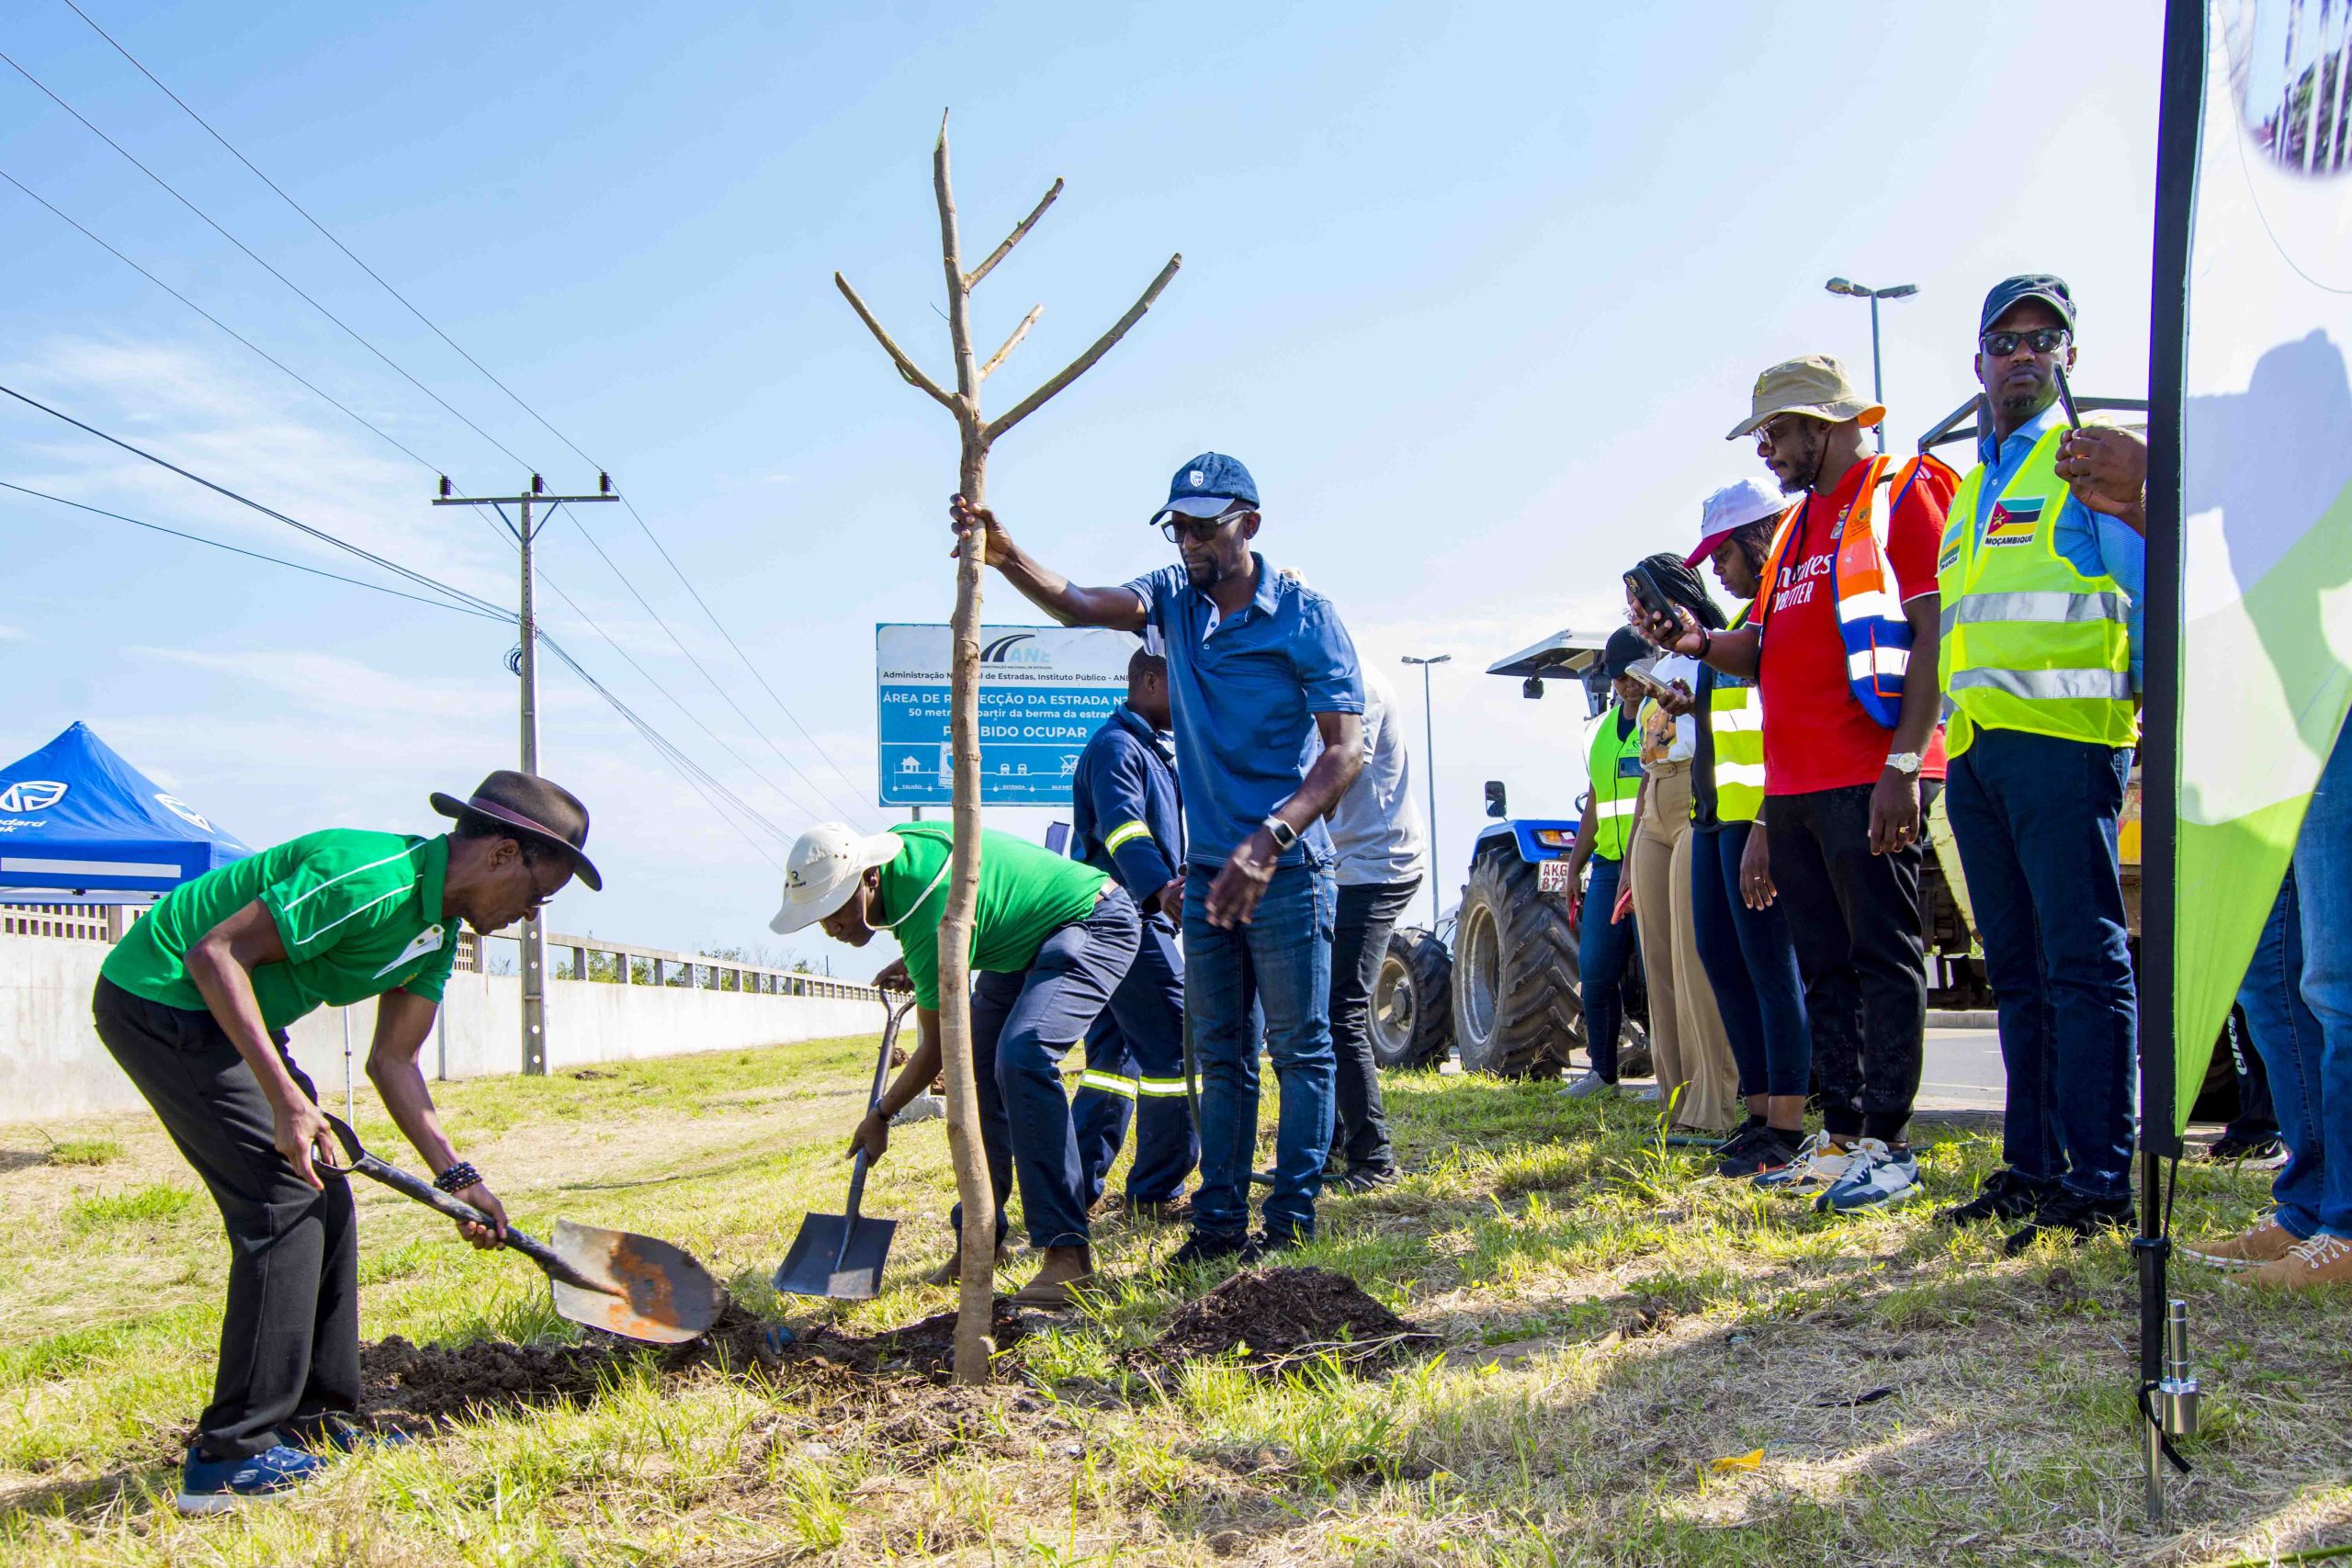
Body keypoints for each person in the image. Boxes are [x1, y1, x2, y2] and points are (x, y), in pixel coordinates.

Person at [91, 770, 599, 1512]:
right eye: (536, 893)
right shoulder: (368, 875)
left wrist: (459, 1177)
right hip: (164, 998)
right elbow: (214, 955)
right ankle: (231, 1455)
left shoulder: (435, 933)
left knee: (326, 1190)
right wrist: (286, 1099)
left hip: (235, 1019)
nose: (530, 913)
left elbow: (394, 1062)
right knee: (283, 1200)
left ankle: (321, 1419)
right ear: (499, 855)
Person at [949, 453, 1364, 1263]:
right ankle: (1216, 1227)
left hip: (1286, 872)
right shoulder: (1175, 600)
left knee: (1300, 1046)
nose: (1188, 541)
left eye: (1205, 526)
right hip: (1209, 879)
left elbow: (1344, 754)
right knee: (1218, 1053)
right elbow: (1080, 604)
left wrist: (1270, 838)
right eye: (1178, 526)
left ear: (1250, 522)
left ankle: (1288, 1223)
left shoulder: (1307, 618)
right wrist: (1007, 554)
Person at [1635, 355, 1956, 1213]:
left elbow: (1935, 632)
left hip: (1870, 775)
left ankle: (1889, 1143)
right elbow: (1764, 652)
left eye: (1775, 432)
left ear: (1824, 423)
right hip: (1797, 787)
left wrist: (1904, 764)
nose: (1767, 450)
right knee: (1823, 967)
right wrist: (1697, 640)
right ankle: (1843, 1135)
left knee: (1883, 959)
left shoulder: (1899, 493)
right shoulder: (1800, 530)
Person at [1927, 276, 2145, 1254]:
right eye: (2004, 340)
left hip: (2065, 747)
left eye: (2042, 339)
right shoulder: (1972, 486)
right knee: (2014, 971)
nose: (2022, 354)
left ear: (2066, 360)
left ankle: (2099, 1177)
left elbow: (2142, 594)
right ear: (1976, 363)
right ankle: (2033, 1167)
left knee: (2081, 964)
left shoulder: (2080, 464)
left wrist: (2138, 726)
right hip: (1976, 757)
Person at [772, 818, 1140, 1308]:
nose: (830, 926)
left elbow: (938, 1048)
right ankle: (981, 1241)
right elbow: (973, 900)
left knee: (1024, 1055)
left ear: (869, 879)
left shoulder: (926, 904)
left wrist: (882, 1113)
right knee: (980, 1074)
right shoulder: (901, 859)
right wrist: (928, 962)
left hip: (1090, 918)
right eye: (819, 916)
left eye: (835, 907)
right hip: (1018, 943)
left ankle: (1067, 1257)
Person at [2184, 715, 2352, 1289]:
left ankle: (2347, 1228)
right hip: (2272, 723)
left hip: (2337, 708)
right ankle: (2309, 1210)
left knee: (2338, 988)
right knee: (2270, 984)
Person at [1684, 479, 1815, 1179]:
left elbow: (1787, 719)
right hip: (1717, 816)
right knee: (1721, 957)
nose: (1715, 569)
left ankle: (1788, 1126)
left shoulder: (1783, 613)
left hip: (1760, 815)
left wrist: (1767, 817)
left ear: (1759, 538)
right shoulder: (1744, 618)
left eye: (1723, 553)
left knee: (1772, 967)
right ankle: (1759, 1110)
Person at [1068, 648, 1197, 1219]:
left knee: (1112, 1060)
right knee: (1175, 1048)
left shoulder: (1147, 749)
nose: (1191, 695)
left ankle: (1074, 1188)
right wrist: (1161, 889)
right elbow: (1123, 830)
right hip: (1127, 920)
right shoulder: (1118, 747)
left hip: (1117, 919)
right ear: (1148, 680)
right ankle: (1157, 1189)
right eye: (1181, 682)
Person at [1622, 554, 1740, 1136]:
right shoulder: (1660, 665)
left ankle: (1714, 1106)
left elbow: (1734, 727)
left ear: (1672, 599)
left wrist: (1693, 705)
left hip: (1699, 795)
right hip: (1654, 811)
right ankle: (1675, 1104)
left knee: (1695, 961)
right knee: (1659, 962)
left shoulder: (1719, 650)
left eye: (1644, 605)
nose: (1638, 618)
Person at [1320, 658, 1429, 1192]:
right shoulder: (1320, 679)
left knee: (1340, 1009)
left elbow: (1338, 771)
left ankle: (1374, 1160)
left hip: (1376, 867)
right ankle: (1333, 1145)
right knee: (1322, 1008)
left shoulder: (1357, 683)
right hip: (1344, 864)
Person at [1562, 627, 1652, 1100]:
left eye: (1637, 673)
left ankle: (1678, 1075)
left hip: (1653, 860)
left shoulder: (1663, 720)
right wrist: (1576, 866)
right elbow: (1596, 802)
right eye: (1621, 676)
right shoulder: (1598, 732)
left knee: (1661, 974)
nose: (1630, 683)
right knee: (1595, 970)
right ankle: (1602, 1074)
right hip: (1608, 867)